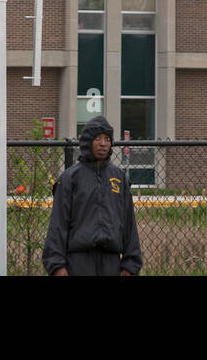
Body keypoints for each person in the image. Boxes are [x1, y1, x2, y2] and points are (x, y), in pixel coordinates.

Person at [41, 115, 141, 277]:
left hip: (111, 263)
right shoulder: (70, 178)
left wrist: (130, 266)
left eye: (107, 139)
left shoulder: (119, 178)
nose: (103, 143)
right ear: (88, 141)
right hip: (78, 263)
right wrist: (57, 266)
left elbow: (129, 224)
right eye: (97, 138)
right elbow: (58, 224)